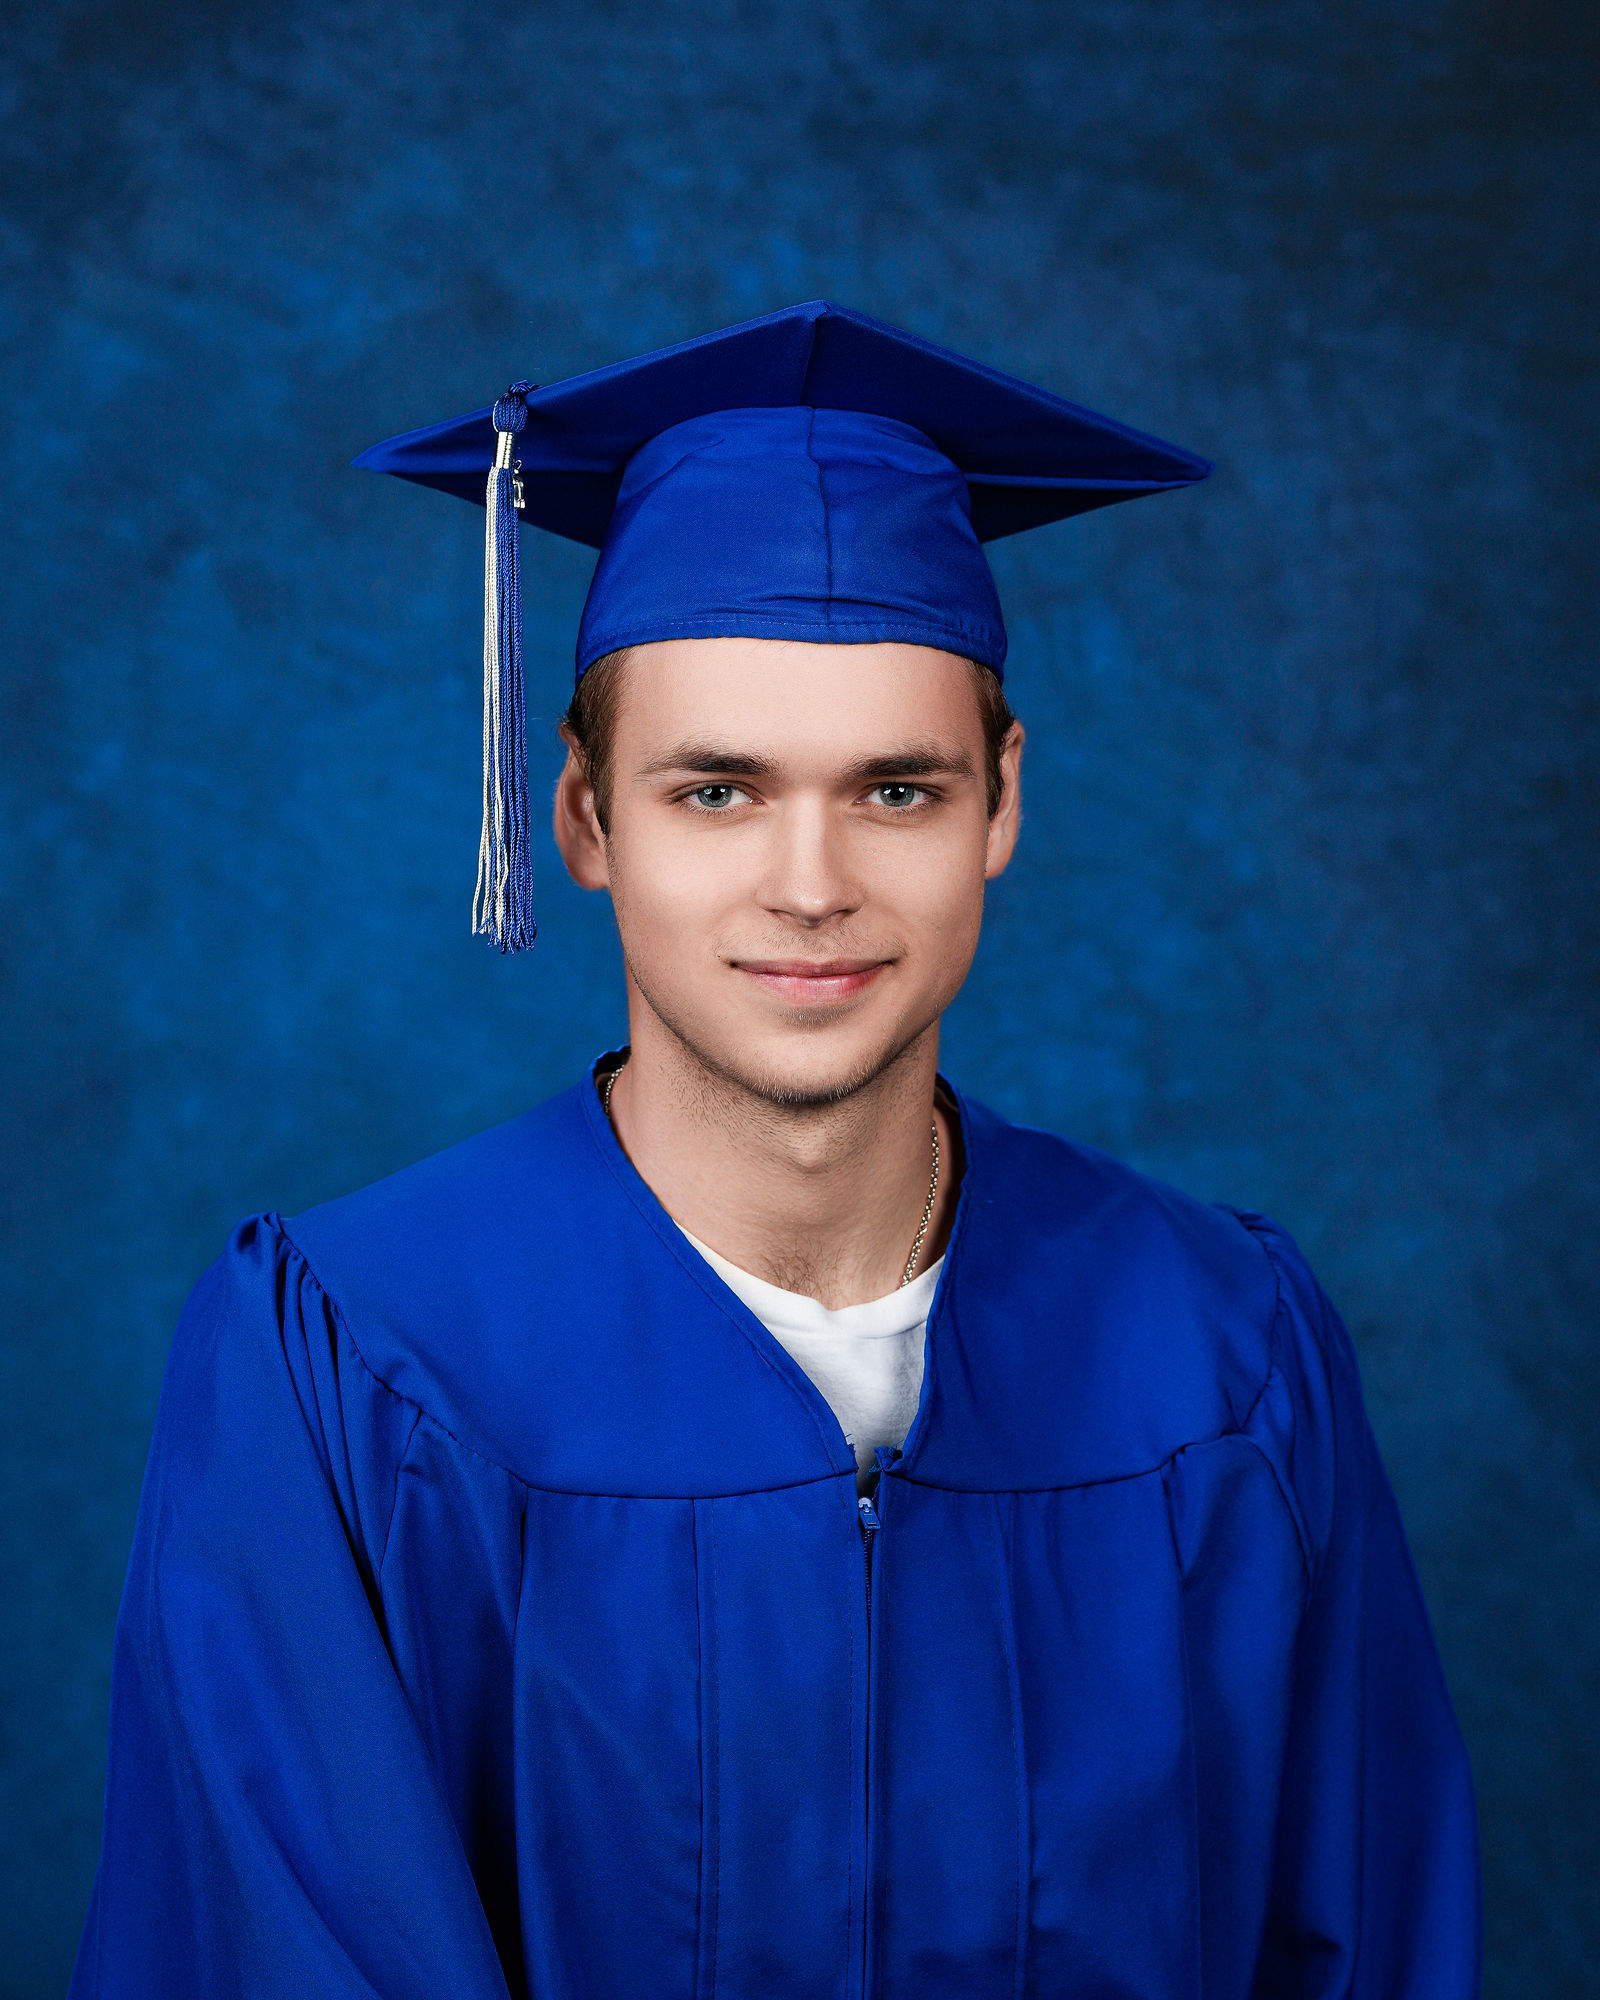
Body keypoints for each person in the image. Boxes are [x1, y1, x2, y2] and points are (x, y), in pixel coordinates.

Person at [70, 301, 1481, 1999]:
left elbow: (1373, 1942)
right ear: (584, 820)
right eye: (716, 791)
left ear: (1002, 806)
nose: (810, 885)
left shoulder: (1231, 1356)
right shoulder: (344, 1368)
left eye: (897, 790)